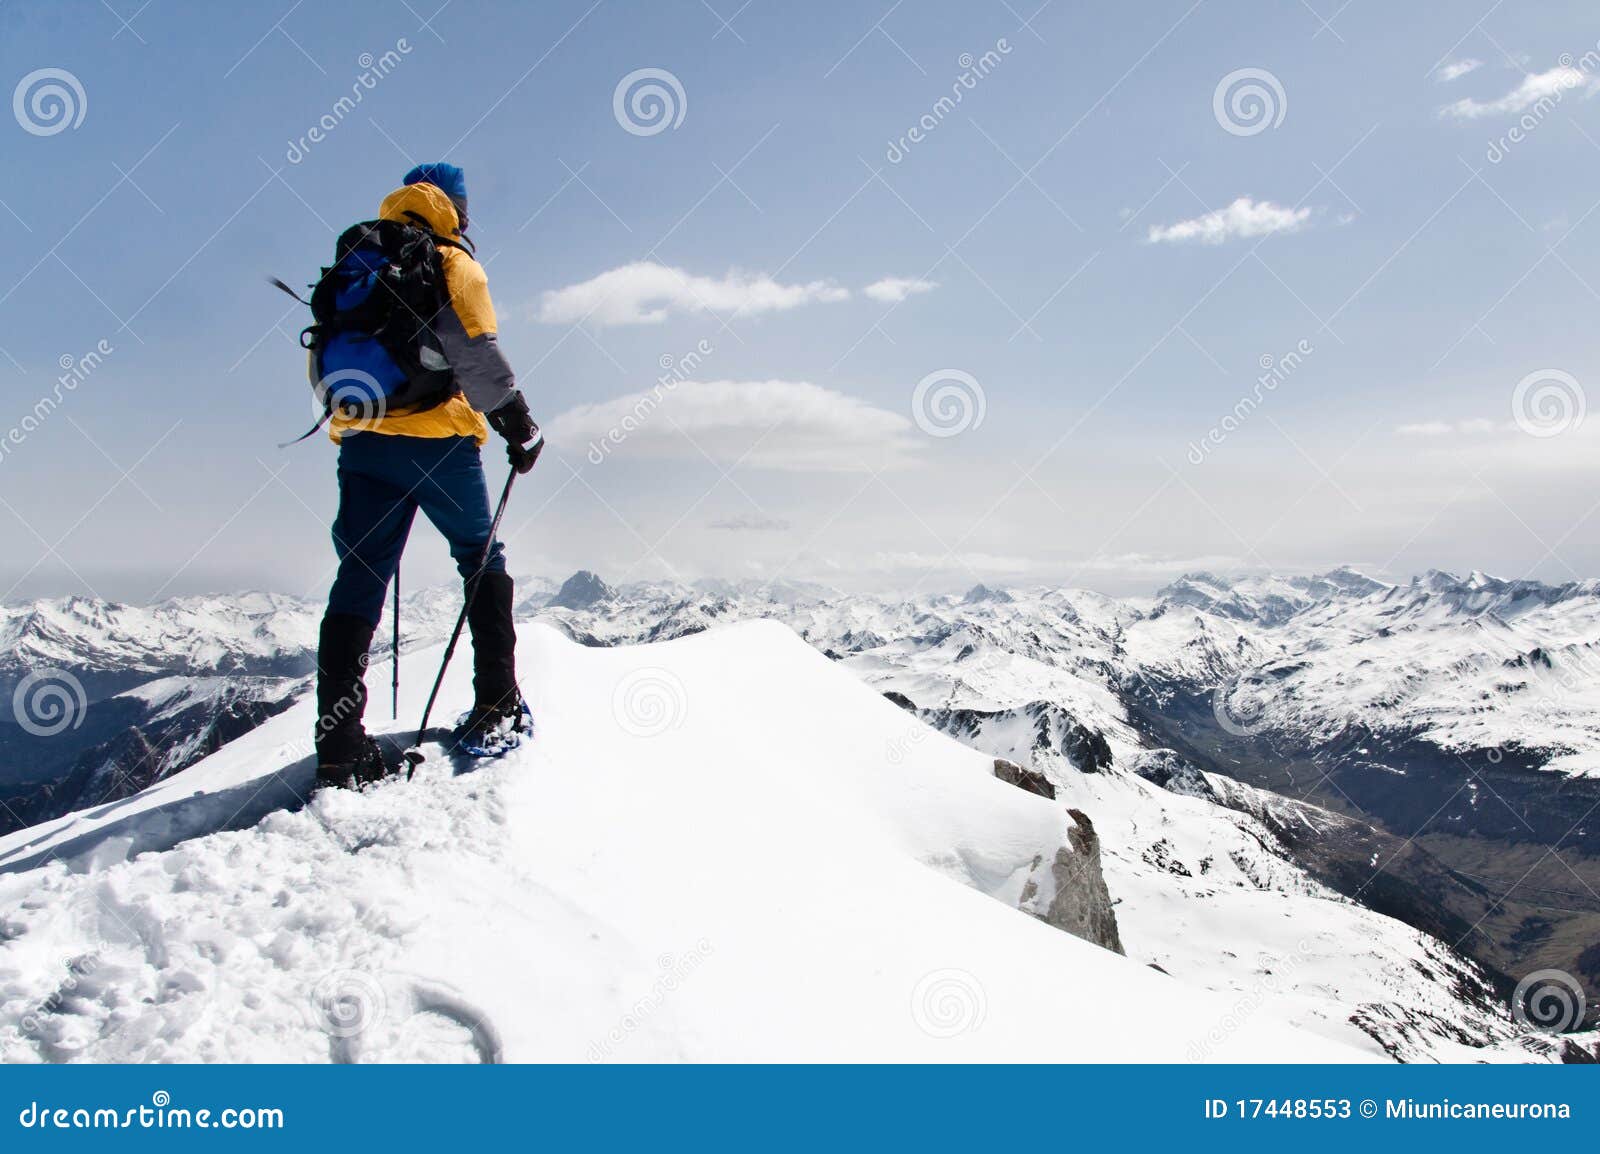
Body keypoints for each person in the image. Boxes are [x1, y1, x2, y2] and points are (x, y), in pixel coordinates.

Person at [313, 162, 541, 789]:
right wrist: (519, 428)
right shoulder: (451, 263)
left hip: (361, 440)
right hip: (440, 441)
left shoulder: (356, 263)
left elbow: (322, 357)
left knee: (359, 577)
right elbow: (477, 353)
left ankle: (338, 747)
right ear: (458, 211)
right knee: (480, 555)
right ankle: (496, 703)